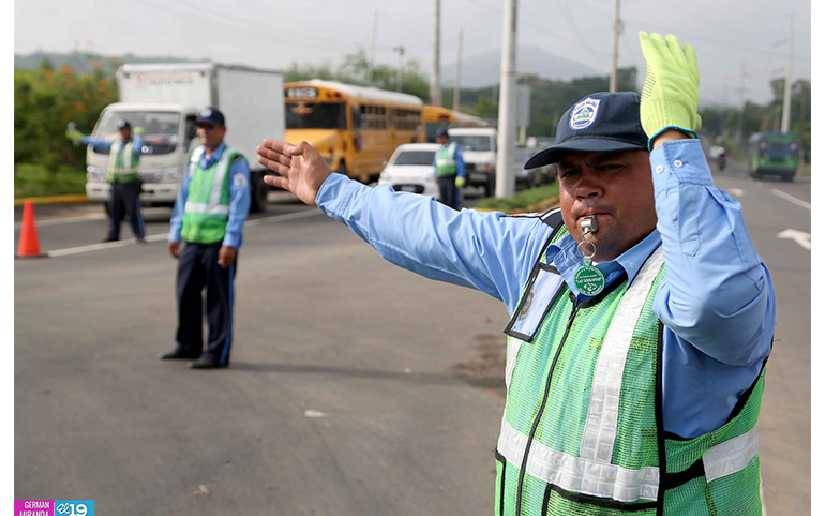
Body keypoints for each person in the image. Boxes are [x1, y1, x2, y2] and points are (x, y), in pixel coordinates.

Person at [257, 33, 775, 514]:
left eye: (611, 168)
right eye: (571, 172)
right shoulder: (545, 252)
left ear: (660, 175)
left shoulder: (696, 278)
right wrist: (330, 189)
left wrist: (672, 138)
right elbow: (433, 231)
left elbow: (711, 299)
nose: (584, 189)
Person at [161, 108, 251, 369]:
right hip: (192, 238)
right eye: (201, 126)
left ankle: (215, 352)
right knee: (186, 293)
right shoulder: (196, 157)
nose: (204, 131)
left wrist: (231, 242)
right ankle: (188, 345)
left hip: (218, 242)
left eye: (209, 126)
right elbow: (184, 198)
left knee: (217, 300)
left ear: (222, 130)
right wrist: (175, 232)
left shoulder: (234, 161)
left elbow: (238, 204)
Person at [66, 119, 147, 243]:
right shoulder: (115, 143)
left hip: (129, 183)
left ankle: (139, 234)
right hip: (115, 183)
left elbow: (138, 148)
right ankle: (113, 235)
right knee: (114, 210)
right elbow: (97, 142)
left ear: (129, 131)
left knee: (133, 211)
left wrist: (137, 136)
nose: (123, 133)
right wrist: (81, 138)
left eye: (125, 130)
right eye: (121, 130)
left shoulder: (135, 143)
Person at [433, 128, 466, 209]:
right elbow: (435, 164)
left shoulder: (453, 147)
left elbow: (459, 162)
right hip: (441, 178)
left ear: (445, 137)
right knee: (443, 201)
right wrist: (435, 175)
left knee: (452, 200)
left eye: (439, 137)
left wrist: (460, 175)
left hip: (451, 177)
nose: (437, 139)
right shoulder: (439, 149)